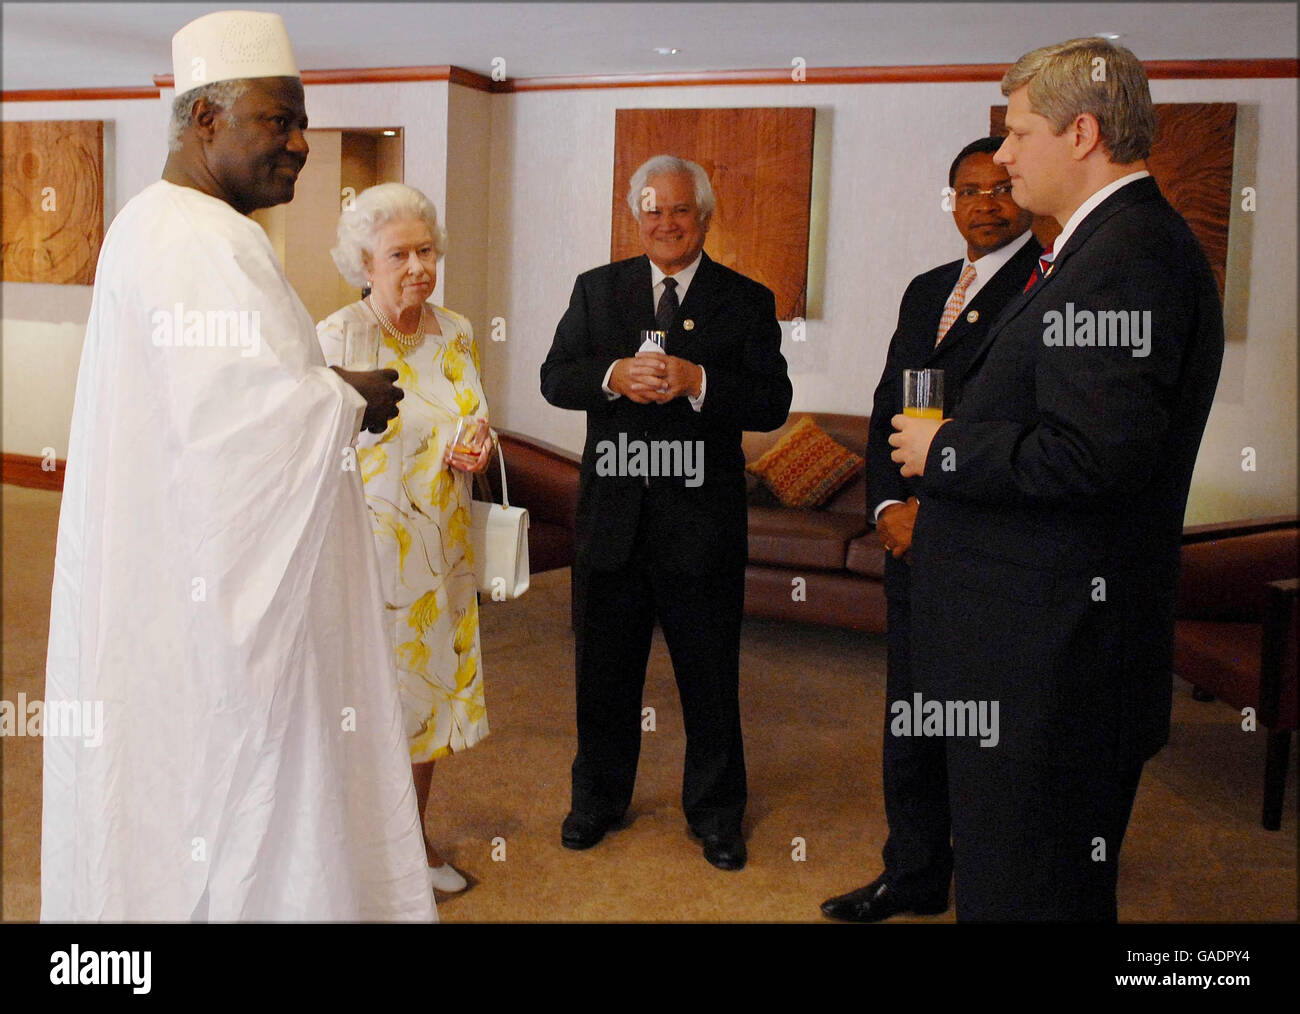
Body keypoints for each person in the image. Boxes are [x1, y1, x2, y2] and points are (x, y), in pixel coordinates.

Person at [41, 10, 435, 921]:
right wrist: (346, 399)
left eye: (302, 121)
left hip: (183, 580)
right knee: (261, 807)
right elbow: (240, 432)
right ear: (203, 120)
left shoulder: (163, 224)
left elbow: (210, 399)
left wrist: (319, 387)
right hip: (229, 606)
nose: (300, 143)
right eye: (279, 119)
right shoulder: (200, 240)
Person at [889, 38, 1224, 921]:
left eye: (1017, 133)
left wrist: (944, 450)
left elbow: (1095, 458)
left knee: (1026, 896)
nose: (1000, 157)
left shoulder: (1128, 259)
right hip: (1032, 654)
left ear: (1082, 134)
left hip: (1051, 668)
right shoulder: (1101, 247)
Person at [540, 155, 792, 870]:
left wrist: (700, 380)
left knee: (709, 678)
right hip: (612, 522)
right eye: (652, 209)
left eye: (680, 209)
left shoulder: (744, 299)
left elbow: (772, 400)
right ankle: (597, 800)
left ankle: (715, 814)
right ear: (636, 215)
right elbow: (555, 378)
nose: (665, 221)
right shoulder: (598, 291)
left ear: (705, 217)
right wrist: (613, 376)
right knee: (603, 674)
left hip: (701, 527)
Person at [822, 137, 1041, 923]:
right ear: (950, 201)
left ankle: (988, 887)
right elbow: (890, 407)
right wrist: (885, 510)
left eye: (1000, 187)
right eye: (968, 189)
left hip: (983, 549)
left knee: (981, 731)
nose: (985, 202)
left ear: (1026, 194)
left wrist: (935, 517)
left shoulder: (1046, 287)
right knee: (911, 716)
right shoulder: (926, 290)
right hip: (910, 541)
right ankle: (911, 873)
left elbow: (1023, 433)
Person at [318, 183, 492, 895]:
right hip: (363, 557)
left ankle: (411, 847)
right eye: (399, 253)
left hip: (439, 552)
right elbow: (312, 449)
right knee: (361, 705)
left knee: (425, 705)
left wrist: (477, 445)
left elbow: (471, 414)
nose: (418, 265)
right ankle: (349, 854)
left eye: (426, 250)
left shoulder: (455, 330)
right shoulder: (336, 339)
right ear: (364, 263)